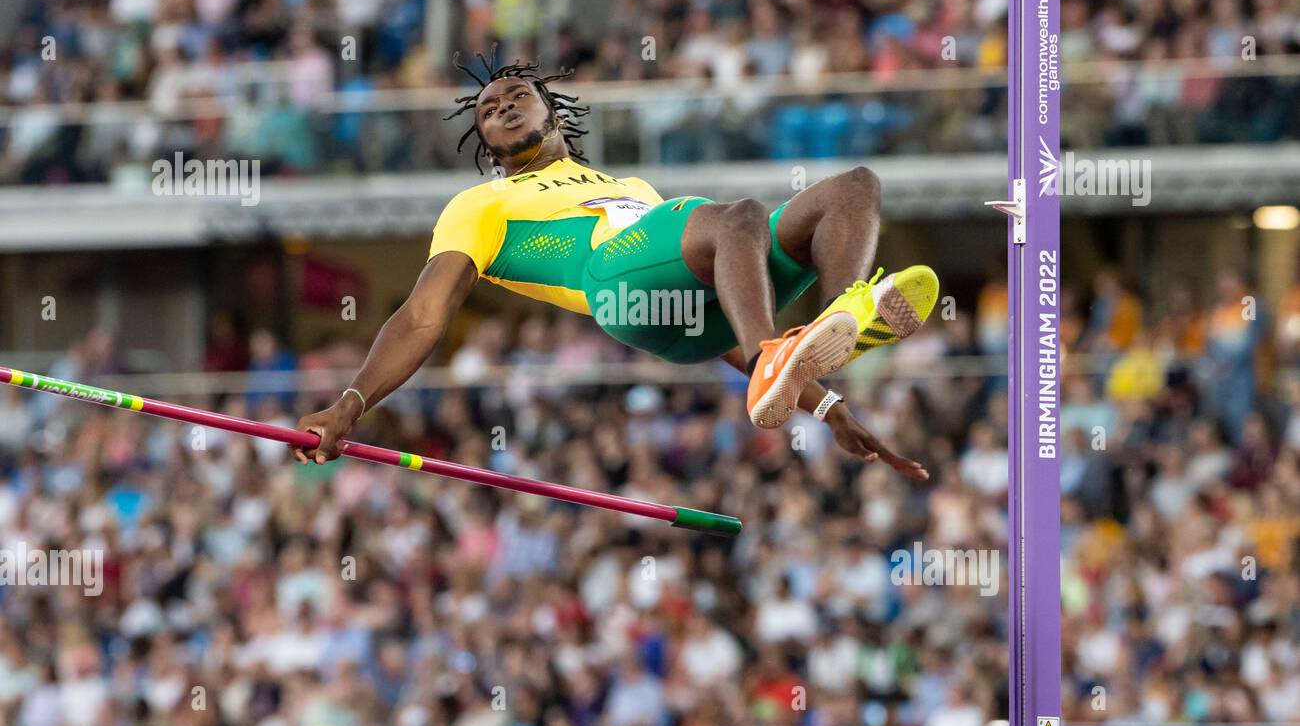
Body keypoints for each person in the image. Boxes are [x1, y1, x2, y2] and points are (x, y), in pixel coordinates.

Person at [293, 56, 938, 477]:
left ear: (553, 110)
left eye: (516, 96)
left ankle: (832, 327)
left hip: (689, 318)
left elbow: (720, 299)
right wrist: (348, 407)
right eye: (487, 111)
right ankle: (789, 347)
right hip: (612, 283)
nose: (502, 108)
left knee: (853, 187)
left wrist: (826, 410)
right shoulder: (479, 204)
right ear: (484, 142)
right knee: (738, 216)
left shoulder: (627, 183)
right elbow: (421, 317)